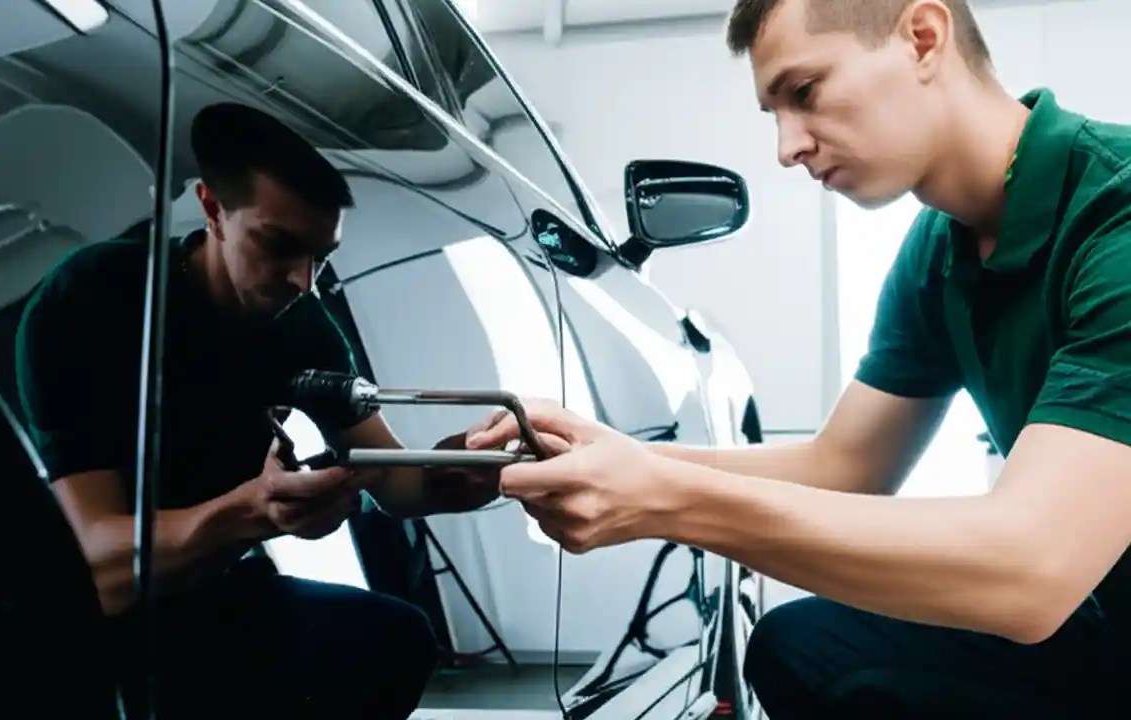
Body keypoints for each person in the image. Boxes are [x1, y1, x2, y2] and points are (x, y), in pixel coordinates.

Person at [468, 0, 1131, 716]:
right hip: (1105, 627)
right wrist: (619, 456)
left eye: (805, 93)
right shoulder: (940, 250)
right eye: (773, 113)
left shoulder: (1115, 215)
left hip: (1086, 612)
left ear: (923, 37)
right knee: (804, 646)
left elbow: (1031, 568)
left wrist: (663, 499)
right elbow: (843, 469)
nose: (787, 148)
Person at [15, 102, 504, 719]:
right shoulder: (92, 299)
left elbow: (395, 481)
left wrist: (464, 469)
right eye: (279, 246)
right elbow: (95, 563)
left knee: (394, 641)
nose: (303, 280)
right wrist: (249, 510)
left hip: (206, 589)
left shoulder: (301, 323)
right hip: (85, 616)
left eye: (322, 257)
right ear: (213, 210)